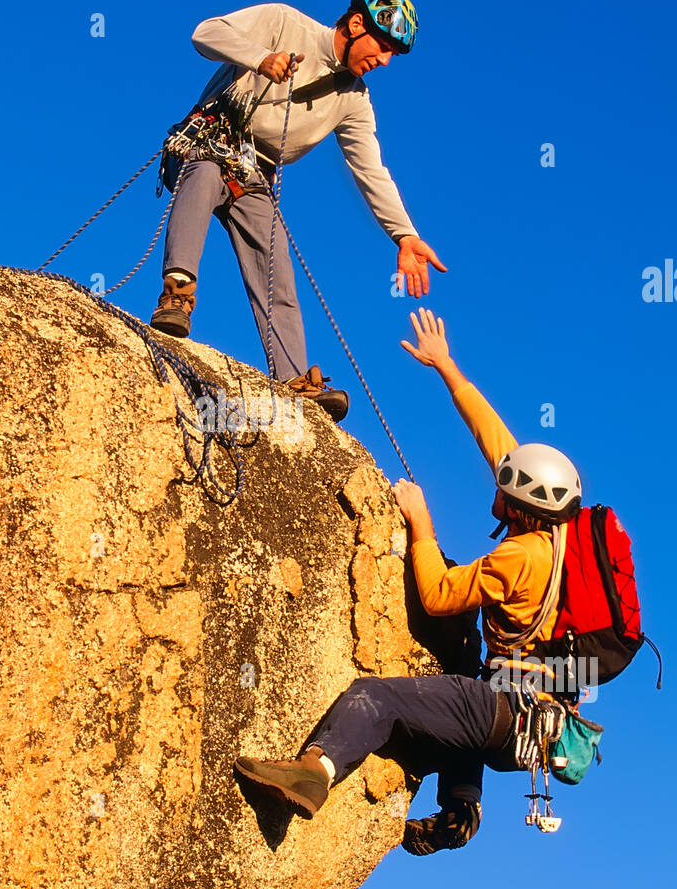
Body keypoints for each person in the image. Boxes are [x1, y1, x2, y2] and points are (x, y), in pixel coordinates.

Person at [234, 308, 584, 853]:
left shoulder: (519, 559)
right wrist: (446, 365)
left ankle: (314, 773)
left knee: (377, 697)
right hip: (538, 722)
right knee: (465, 666)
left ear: (517, 507)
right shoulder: (563, 535)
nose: (497, 481)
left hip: (506, 713)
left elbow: (438, 596)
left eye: (504, 486)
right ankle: (461, 806)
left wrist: (420, 523)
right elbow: (492, 436)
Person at [150, 0, 447, 423]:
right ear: (358, 25)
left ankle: (292, 377)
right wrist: (258, 57)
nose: (384, 60)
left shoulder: (355, 100)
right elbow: (205, 33)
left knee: (275, 262)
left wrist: (404, 235)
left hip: (254, 173)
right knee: (205, 174)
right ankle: (177, 297)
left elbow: (371, 169)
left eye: (393, 54)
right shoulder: (284, 22)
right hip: (205, 142)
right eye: (384, 46)